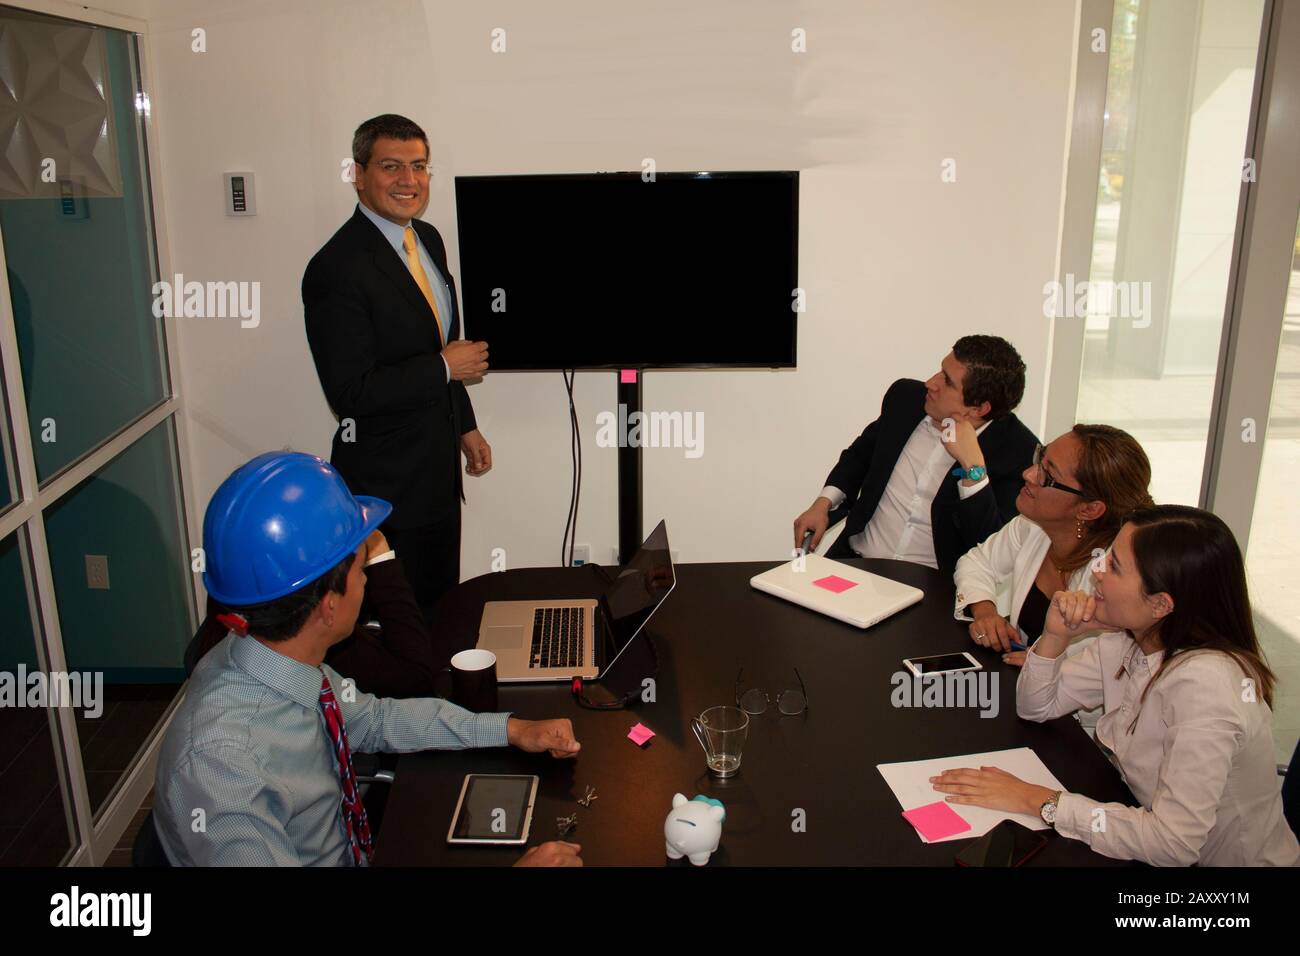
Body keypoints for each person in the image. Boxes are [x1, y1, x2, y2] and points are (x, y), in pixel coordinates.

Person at [155, 452, 581, 866]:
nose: (367, 581)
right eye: (362, 570)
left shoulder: (278, 659)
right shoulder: (222, 769)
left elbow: (375, 721)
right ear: (328, 604)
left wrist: (511, 728)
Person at [930, 505, 1300, 866]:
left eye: (1114, 566)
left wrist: (1039, 801)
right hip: (1140, 827)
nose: (1097, 570)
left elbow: (1174, 844)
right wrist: (1056, 636)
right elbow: (1036, 707)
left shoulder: (1207, 688)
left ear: (1160, 604)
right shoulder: (1130, 639)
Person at [303, 113, 491, 624]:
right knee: (395, 624)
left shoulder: (427, 238)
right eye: (391, 166)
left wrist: (466, 425)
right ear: (359, 173)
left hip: (436, 476)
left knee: (438, 608)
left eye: (419, 166)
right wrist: (441, 369)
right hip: (384, 488)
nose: (409, 180)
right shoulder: (335, 268)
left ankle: (435, 698)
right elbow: (351, 392)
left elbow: (440, 345)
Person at [792, 335, 1039, 575]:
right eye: (940, 370)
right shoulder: (906, 399)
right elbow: (860, 457)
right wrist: (822, 504)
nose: (931, 383)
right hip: (856, 564)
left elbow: (991, 552)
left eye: (947, 381)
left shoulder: (1019, 452)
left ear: (979, 408)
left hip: (933, 589)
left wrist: (973, 466)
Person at [956, 424, 1153, 666]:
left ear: (1089, 509)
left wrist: (1048, 664)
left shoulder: (1118, 577)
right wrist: (985, 611)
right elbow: (977, 562)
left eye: (1048, 476)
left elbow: (1106, 667)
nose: (1028, 474)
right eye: (1041, 458)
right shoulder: (1033, 525)